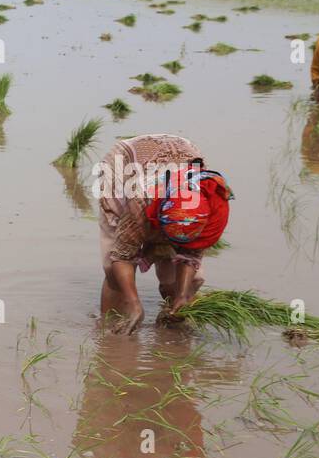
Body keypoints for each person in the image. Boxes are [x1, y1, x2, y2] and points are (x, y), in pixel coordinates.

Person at [96, 135, 234, 333]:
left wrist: (182, 295)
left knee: (188, 283)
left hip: (182, 157)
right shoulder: (142, 200)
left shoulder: (213, 206)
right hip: (123, 169)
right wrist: (134, 303)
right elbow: (122, 256)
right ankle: (110, 331)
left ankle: (175, 313)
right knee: (114, 271)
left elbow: (191, 253)